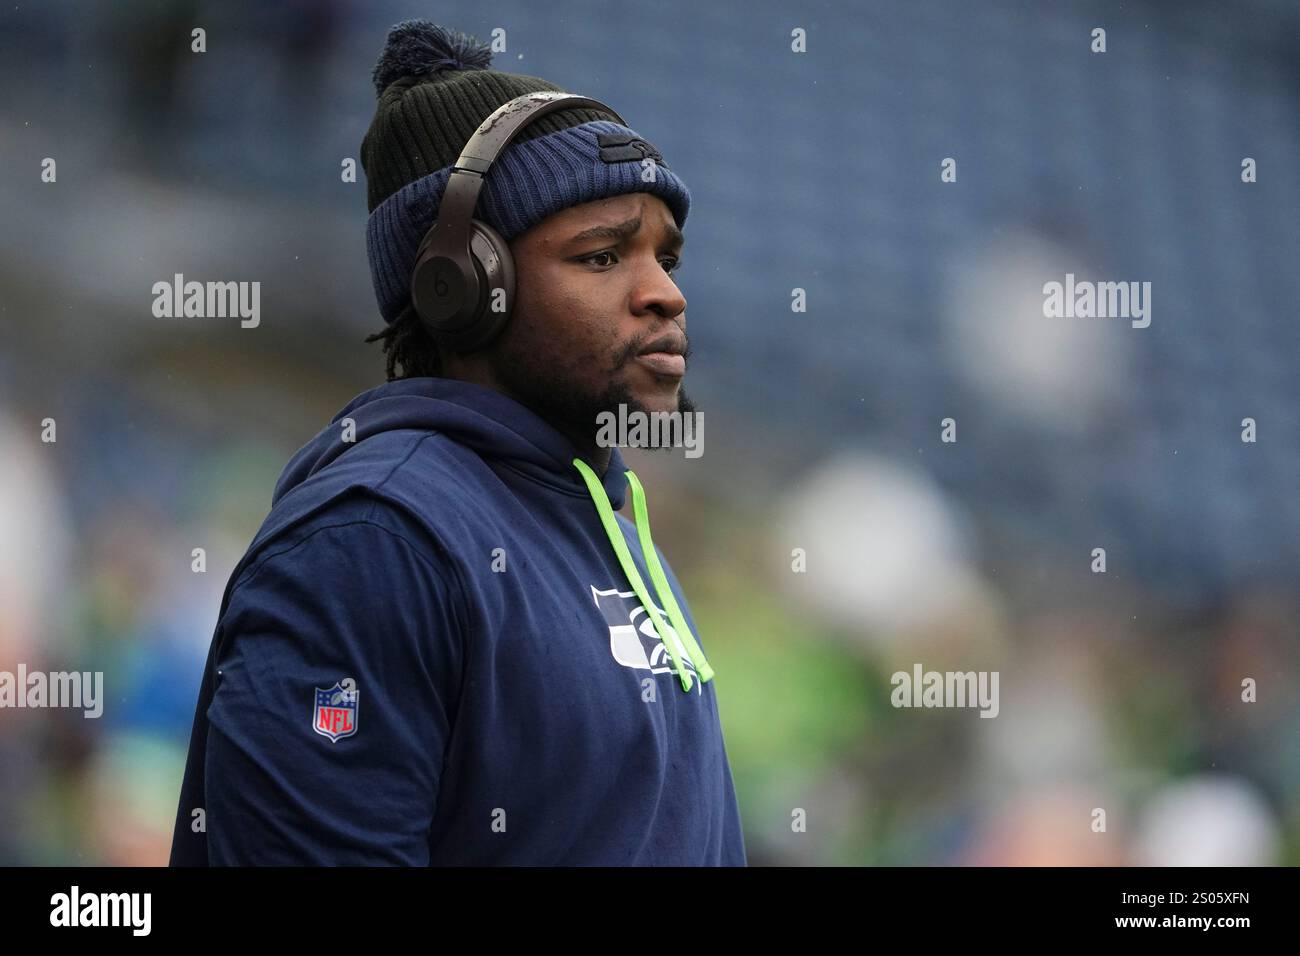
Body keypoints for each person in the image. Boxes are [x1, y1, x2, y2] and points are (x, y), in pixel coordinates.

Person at [168, 20, 746, 865]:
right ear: (464, 288)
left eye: (668, 258)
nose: (664, 294)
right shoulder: (373, 545)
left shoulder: (607, 521)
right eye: (601, 257)